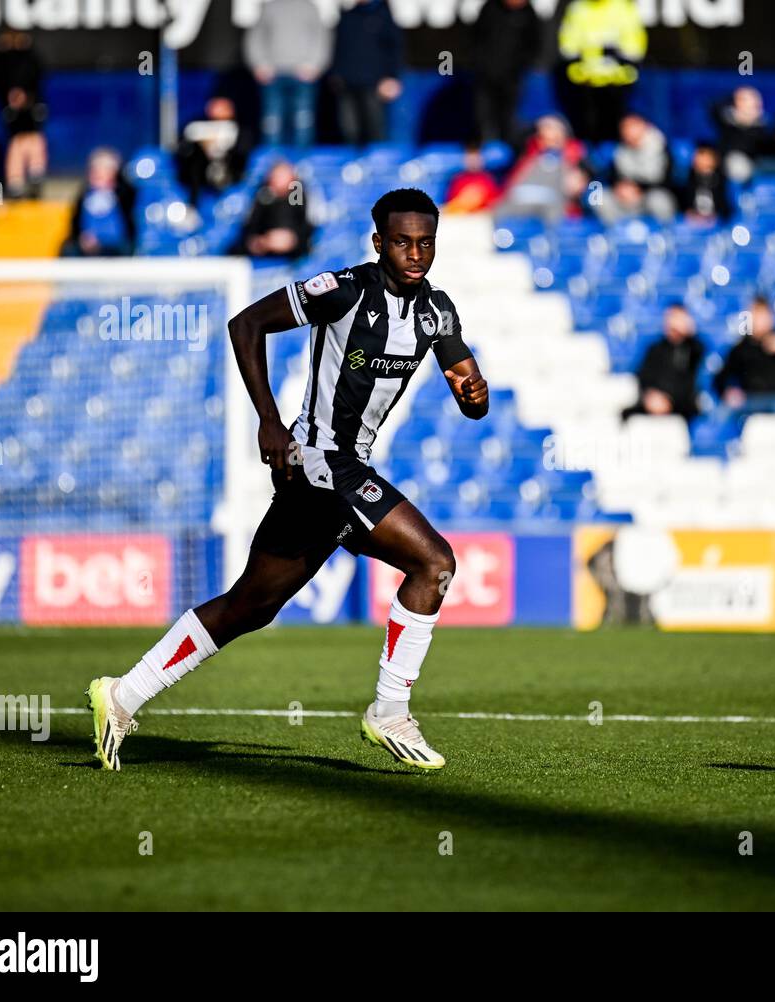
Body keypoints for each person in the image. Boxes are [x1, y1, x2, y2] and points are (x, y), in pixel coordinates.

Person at [87, 188, 489, 773]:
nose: (415, 253)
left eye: (425, 243)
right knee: (434, 563)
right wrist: (270, 421)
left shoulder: (436, 311)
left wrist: (475, 396)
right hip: (323, 464)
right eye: (401, 242)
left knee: (250, 606)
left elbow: (467, 388)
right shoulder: (344, 289)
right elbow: (246, 323)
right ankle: (389, 710)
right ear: (379, 243)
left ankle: (121, 695)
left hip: (338, 473)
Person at [557, 0, 647, 143]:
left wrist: (617, 56)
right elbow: (568, 45)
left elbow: (634, 46)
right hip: (585, 82)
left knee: (616, 130)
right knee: (585, 131)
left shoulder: (623, 7)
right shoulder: (578, 8)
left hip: (617, 82)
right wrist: (582, 61)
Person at [245, 0, 331, 147]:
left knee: (303, 120)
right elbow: (255, 38)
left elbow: (321, 37)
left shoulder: (309, 7)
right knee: (272, 121)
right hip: (272, 75)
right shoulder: (269, 7)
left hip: (304, 74)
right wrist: (259, 64)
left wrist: (314, 64)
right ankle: (272, 164)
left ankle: (301, 164)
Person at [712, 297, 775, 417]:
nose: (760, 320)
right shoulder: (742, 347)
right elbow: (721, 377)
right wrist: (727, 392)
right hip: (749, 400)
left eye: (763, 315)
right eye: (756, 315)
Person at [328, 0, 404, 146]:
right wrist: (336, 74)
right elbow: (338, 48)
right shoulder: (347, 16)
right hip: (347, 83)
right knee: (349, 130)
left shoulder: (383, 15)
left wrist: (392, 77)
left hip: (375, 84)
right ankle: (352, 167)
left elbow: (395, 49)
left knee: (376, 130)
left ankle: (378, 166)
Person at [495, 114, 590, 222]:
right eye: (543, 131)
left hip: (557, 204)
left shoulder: (575, 155)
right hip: (525, 201)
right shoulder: (529, 156)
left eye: (552, 129)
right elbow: (513, 184)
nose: (549, 134)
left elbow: (586, 183)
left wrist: (579, 182)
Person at [473, 0, 542, 144]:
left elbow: (534, 43)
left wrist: (521, 66)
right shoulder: (490, 8)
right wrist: (482, 64)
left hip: (513, 78)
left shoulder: (529, 13)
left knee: (510, 118)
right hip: (487, 76)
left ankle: (510, 150)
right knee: (485, 116)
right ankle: (488, 150)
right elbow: (476, 38)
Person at [0, 30, 47, 199]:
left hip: (32, 105)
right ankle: (15, 183)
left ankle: (36, 174)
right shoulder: (2, 59)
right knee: (16, 142)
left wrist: (27, 96)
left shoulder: (30, 59)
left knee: (33, 139)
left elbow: (37, 73)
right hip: (11, 109)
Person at [622, 304, 704, 421]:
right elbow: (643, 377)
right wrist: (650, 397)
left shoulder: (692, 348)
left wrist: (690, 333)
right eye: (670, 318)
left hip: (681, 407)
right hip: (652, 403)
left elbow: (696, 364)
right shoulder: (655, 348)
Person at [596, 112, 675, 223]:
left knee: (659, 200)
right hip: (624, 198)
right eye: (624, 127)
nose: (628, 131)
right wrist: (620, 188)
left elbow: (666, 182)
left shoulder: (661, 147)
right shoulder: (619, 151)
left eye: (632, 126)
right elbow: (612, 177)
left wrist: (638, 189)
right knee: (600, 198)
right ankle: (613, 235)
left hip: (648, 198)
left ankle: (664, 235)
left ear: (644, 126)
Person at [175, 96, 253, 206]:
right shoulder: (196, 125)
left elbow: (242, 154)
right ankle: (193, 205)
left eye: (224, 107)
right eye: (215, 106)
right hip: (200, 176)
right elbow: (182, 148)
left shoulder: (241, 130)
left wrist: (222, 149)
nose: (219, 110)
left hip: (230, 174)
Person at [61, 148, 136, 257]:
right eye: (94, 170)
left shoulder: (123, 194)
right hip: (87, 244)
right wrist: (81, 238)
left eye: (102, 170)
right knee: (69, 250)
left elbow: (129, 223)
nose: (95, 174)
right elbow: (75, 223)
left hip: (115, 244)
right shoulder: (85, 194)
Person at [235, 161, 313, 258]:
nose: (277, 180)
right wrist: (264, 242)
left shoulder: (298, 197)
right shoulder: (262, 197)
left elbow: (308, 230)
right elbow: (249, 233)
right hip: (262, 259)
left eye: (282, 176)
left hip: (294, 258)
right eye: (275, 176)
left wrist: (292, 241)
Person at [713, 86, 773, 182]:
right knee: (737, 165)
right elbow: (713, 106)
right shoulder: (727, 121)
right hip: (733, 168)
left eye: (755, 105)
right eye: (745, 103)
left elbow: (767, 148)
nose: (750, 109)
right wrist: (734, 98)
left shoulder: (766, 125)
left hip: (759, 164)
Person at [676, 143, 732, 223]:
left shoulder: (721, 181)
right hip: (693, 222)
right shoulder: (688, 180)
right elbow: (683, 202)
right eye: (699, 155)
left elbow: (726, 205)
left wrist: (716, 216)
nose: (703, 160)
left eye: (707, 156)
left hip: (715, 222)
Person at [443, 145, 501, 214]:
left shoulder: (488, 180)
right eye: (470, 160)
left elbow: (495, 203)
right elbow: (451, 203)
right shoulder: (458, 180)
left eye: (475, 159)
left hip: (482, 216)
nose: (473, 163)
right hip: (462, 216)